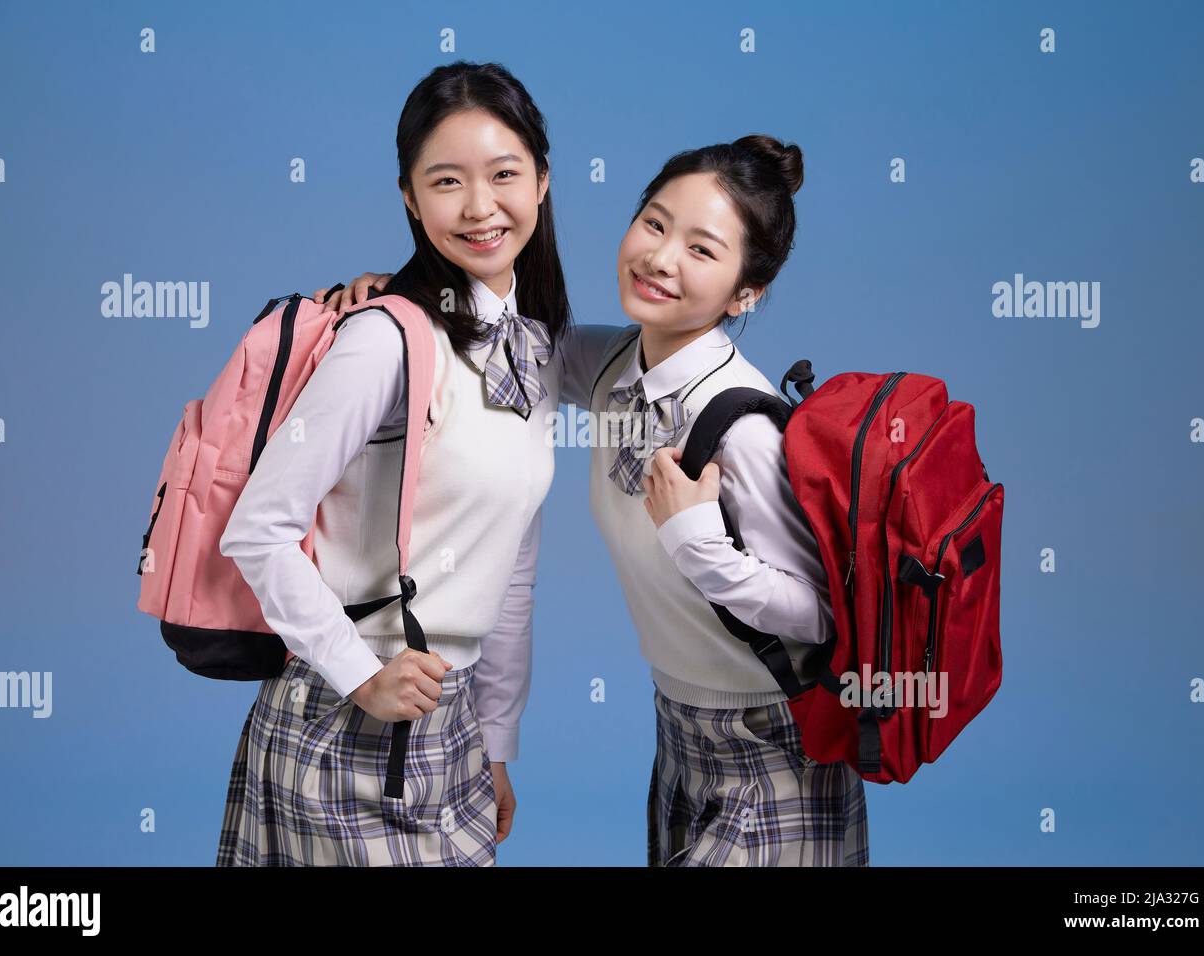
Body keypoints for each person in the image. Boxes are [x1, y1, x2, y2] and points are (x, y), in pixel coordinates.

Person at [321, 135, 869, 866]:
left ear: (746, 292)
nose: (661, 257)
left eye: (702, 251)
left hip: (776, 752)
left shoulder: (745, 428)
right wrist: (398, 298)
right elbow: (497, 338)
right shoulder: (613, 365)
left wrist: (700, 543)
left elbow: (823, 619)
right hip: (680, 735)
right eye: (654, 222)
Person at [215, 61, 580, 866]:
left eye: (505, 175)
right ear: (410, 199)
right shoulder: (383, 339)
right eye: (446, 181)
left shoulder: (533, 350)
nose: (481, 207)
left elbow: (511, 569)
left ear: (544, 182)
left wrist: (493, 740)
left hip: (446, 730)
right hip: (343, 719)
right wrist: (360, 677)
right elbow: (258, 531)